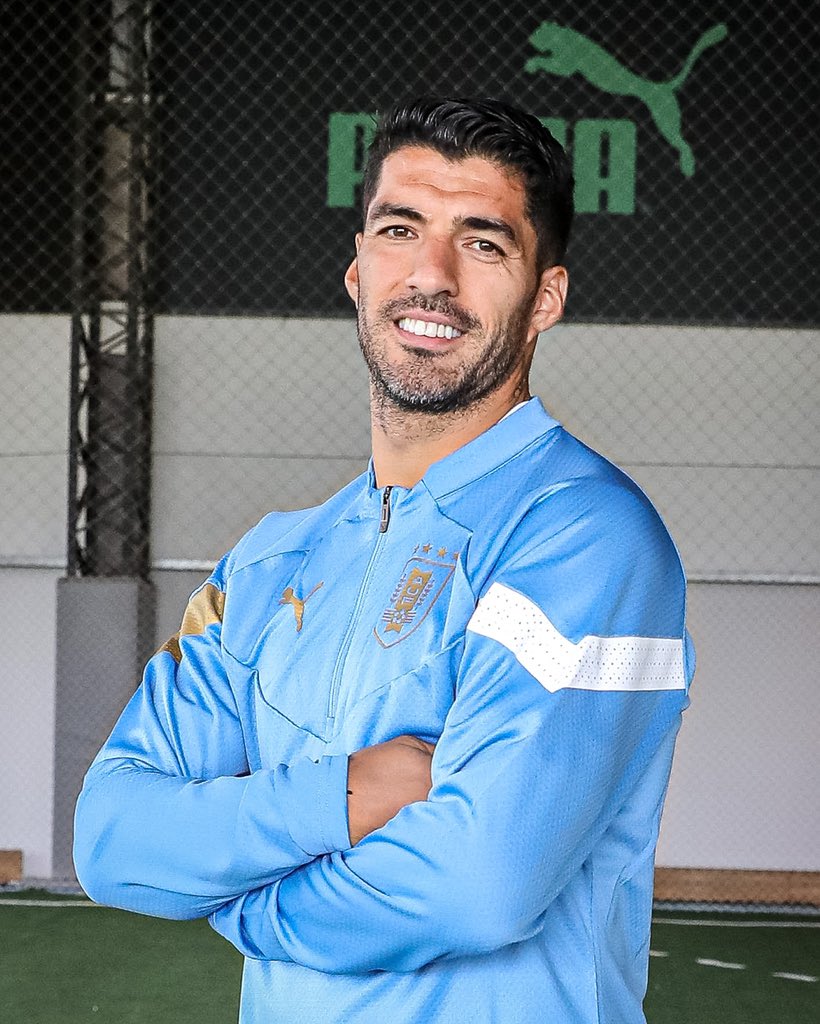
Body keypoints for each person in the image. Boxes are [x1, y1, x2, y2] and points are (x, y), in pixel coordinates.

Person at [74, 96, 694, 1024]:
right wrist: (344, 795)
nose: (431, 276)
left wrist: (244, 907)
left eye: (483, 242)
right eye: (401, 231)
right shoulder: (269, 561)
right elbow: (113, 838)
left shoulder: (585, 535)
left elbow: (478, 884)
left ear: (545, 298)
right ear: (358, 270)